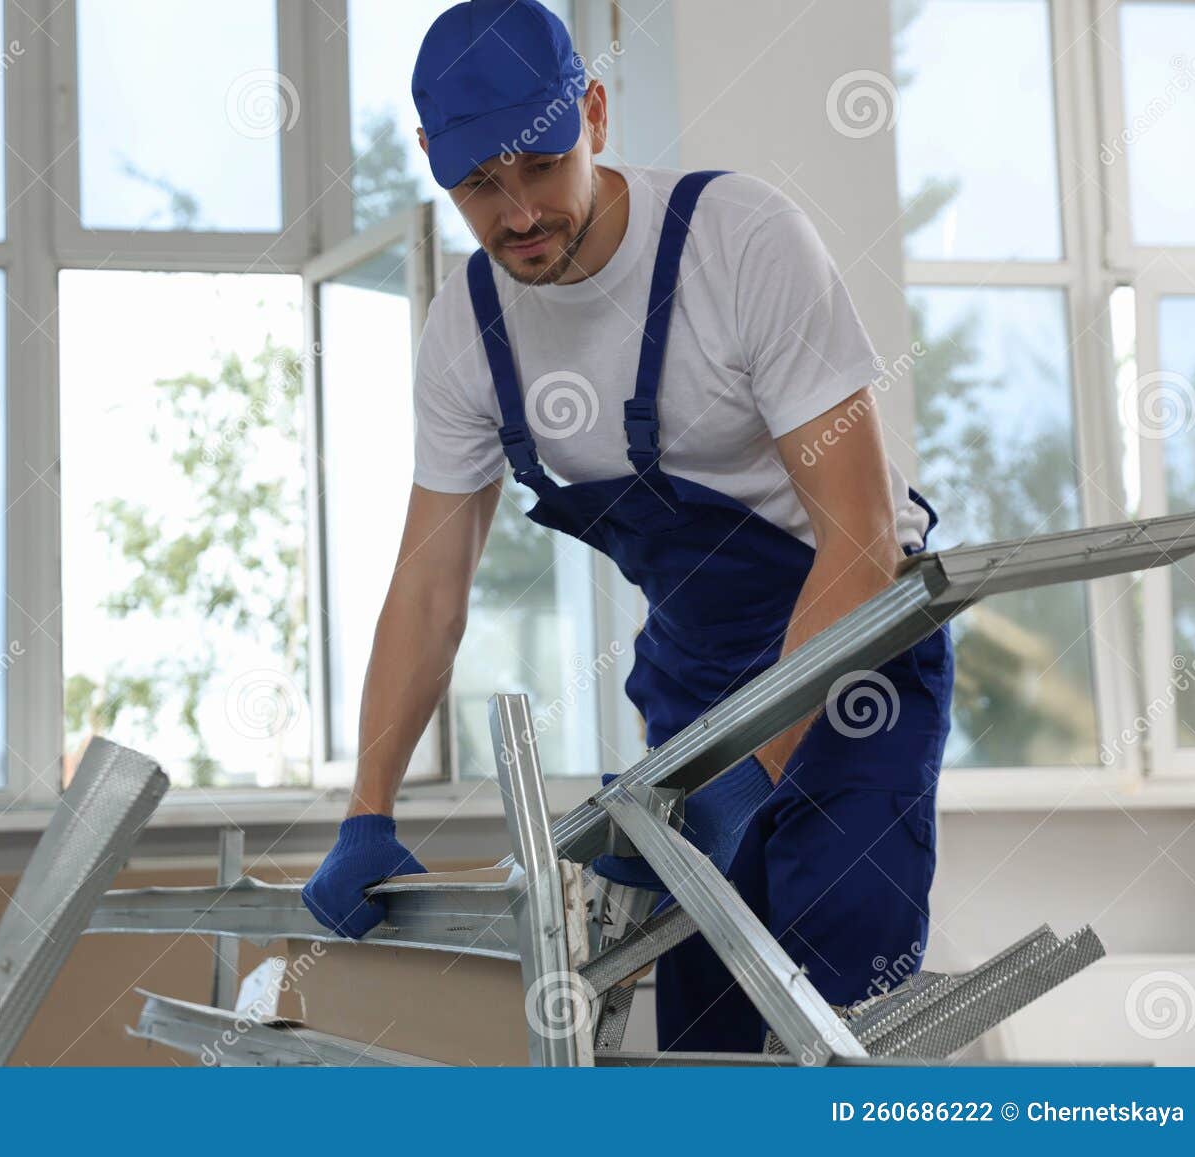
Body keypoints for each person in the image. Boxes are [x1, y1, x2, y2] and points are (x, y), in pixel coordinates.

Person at [302, 0, 954, 1053]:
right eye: (476, 185)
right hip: (696, 676)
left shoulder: (738, 242)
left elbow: (862, 536)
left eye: (539, 166)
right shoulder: (467, 332)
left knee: (831, 991)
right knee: (708, 1026)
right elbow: (428, 589)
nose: (516, 214)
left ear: (593, 111)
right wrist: (366, 810)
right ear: (430, 159)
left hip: (853, 645)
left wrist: (747, 769)